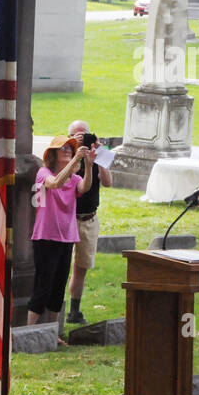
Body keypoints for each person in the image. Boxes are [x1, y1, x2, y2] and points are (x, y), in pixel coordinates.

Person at [27, 135, 94, 329]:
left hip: (67, 237)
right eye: (62, 148)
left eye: (70, 149)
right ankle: (29, 331)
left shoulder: (74, 179)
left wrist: (88, 165)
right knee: (43, 285)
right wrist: (76, 159)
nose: (67, 150)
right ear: (53, 154)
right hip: (45, 237)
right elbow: (54, 183)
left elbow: (85, 187)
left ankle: (52, 332)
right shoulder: (43, 172)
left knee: (58, 287)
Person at [66, 119, 112, 325]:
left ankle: (74, 311)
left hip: (89, 218)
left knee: (81, 267)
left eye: (85, 134)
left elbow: (108, 182)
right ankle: (56, 309)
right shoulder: (65, 153)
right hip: (67, 218)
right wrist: (75, 150)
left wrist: (100, 155)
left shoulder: (97, 155)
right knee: (60, 266)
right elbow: (66, 177)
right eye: (77, 135)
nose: (82, 138)